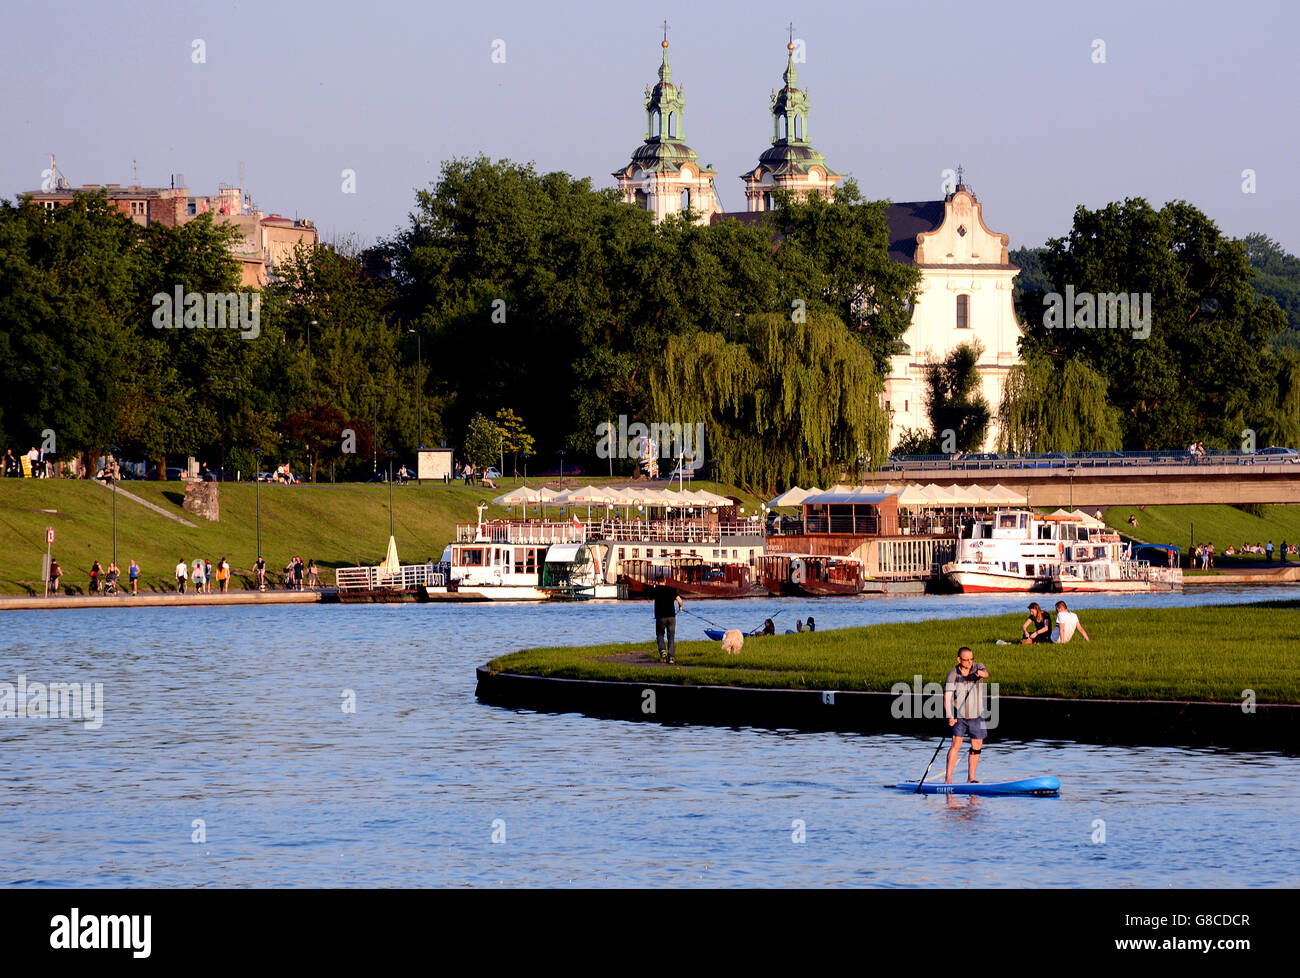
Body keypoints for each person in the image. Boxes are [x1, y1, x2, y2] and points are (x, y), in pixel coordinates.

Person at [944, 647, 990, 784]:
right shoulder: (953, 675)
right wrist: (949, 716)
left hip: (977, 714)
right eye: (966, 660)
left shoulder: (978, 666)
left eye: (971, 659)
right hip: (960, 716)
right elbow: (947, 698)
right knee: (956, 744)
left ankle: (971, 778)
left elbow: (985, 673)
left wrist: (979, 674)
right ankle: (948, 779)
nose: (970, 662)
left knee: (976, 745)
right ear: (959, 660)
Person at [652, 581, 682, 664]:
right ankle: (671, 657)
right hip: (671, 617)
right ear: (665, 581)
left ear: (656, 582)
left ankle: (662, 650)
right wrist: (680, 607)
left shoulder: (656, 590)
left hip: (660, 617)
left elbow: (649, 599)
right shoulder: (671, 589)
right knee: (671, 637)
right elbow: (679, 600)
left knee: (660, 634)